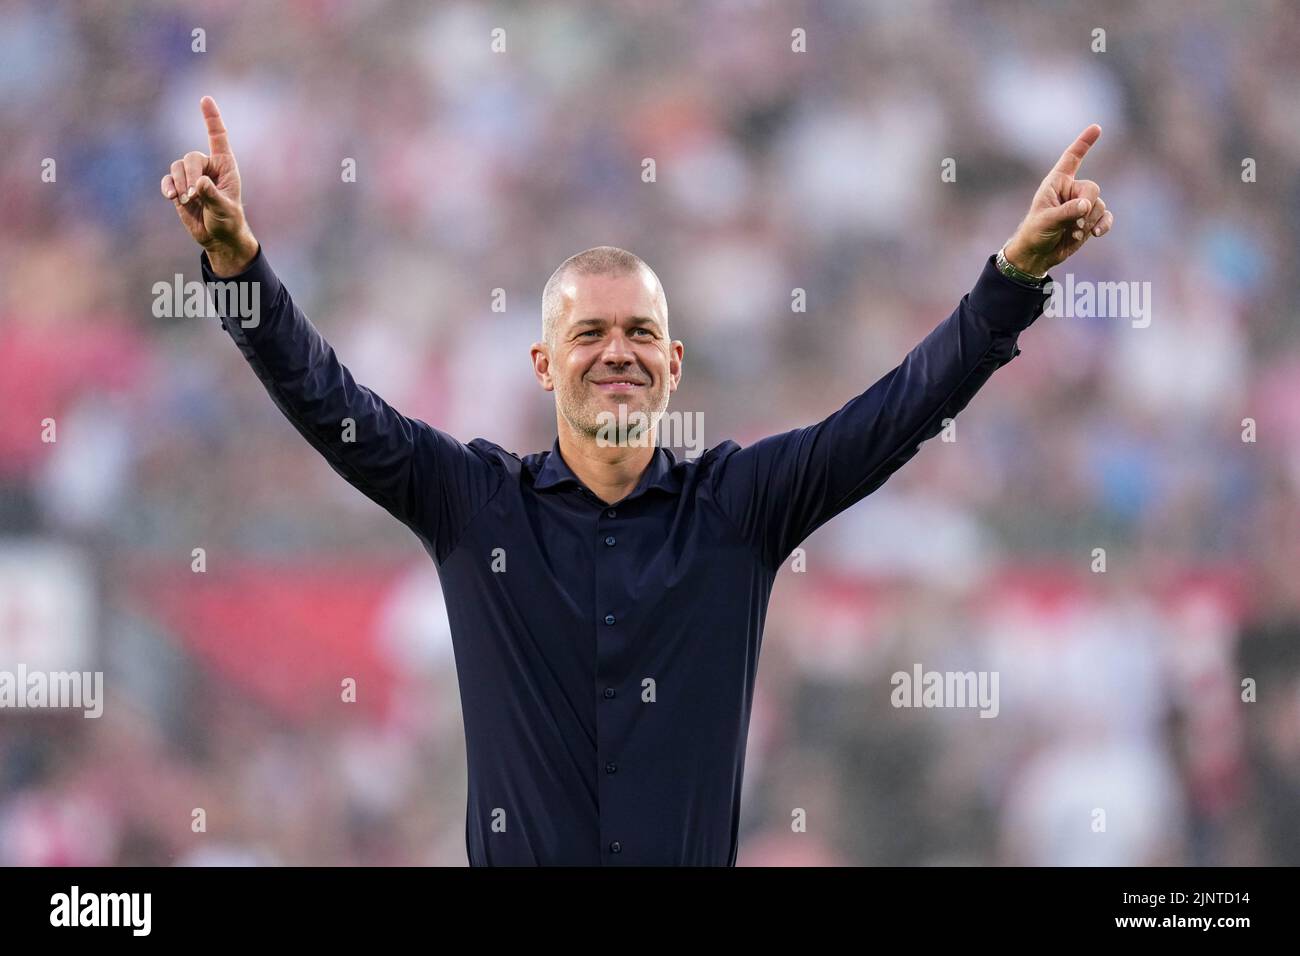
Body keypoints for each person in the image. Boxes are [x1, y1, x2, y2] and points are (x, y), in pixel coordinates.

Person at [161, 96, 1113, 866]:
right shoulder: (470, 503)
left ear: (674, 361)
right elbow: (325, 398)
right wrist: (238, 265)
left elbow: (897, 413)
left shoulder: (739, 509)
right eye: (589, 333)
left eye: (640, 333)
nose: (617, 352)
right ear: (543, 364)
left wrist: (1014, 277)